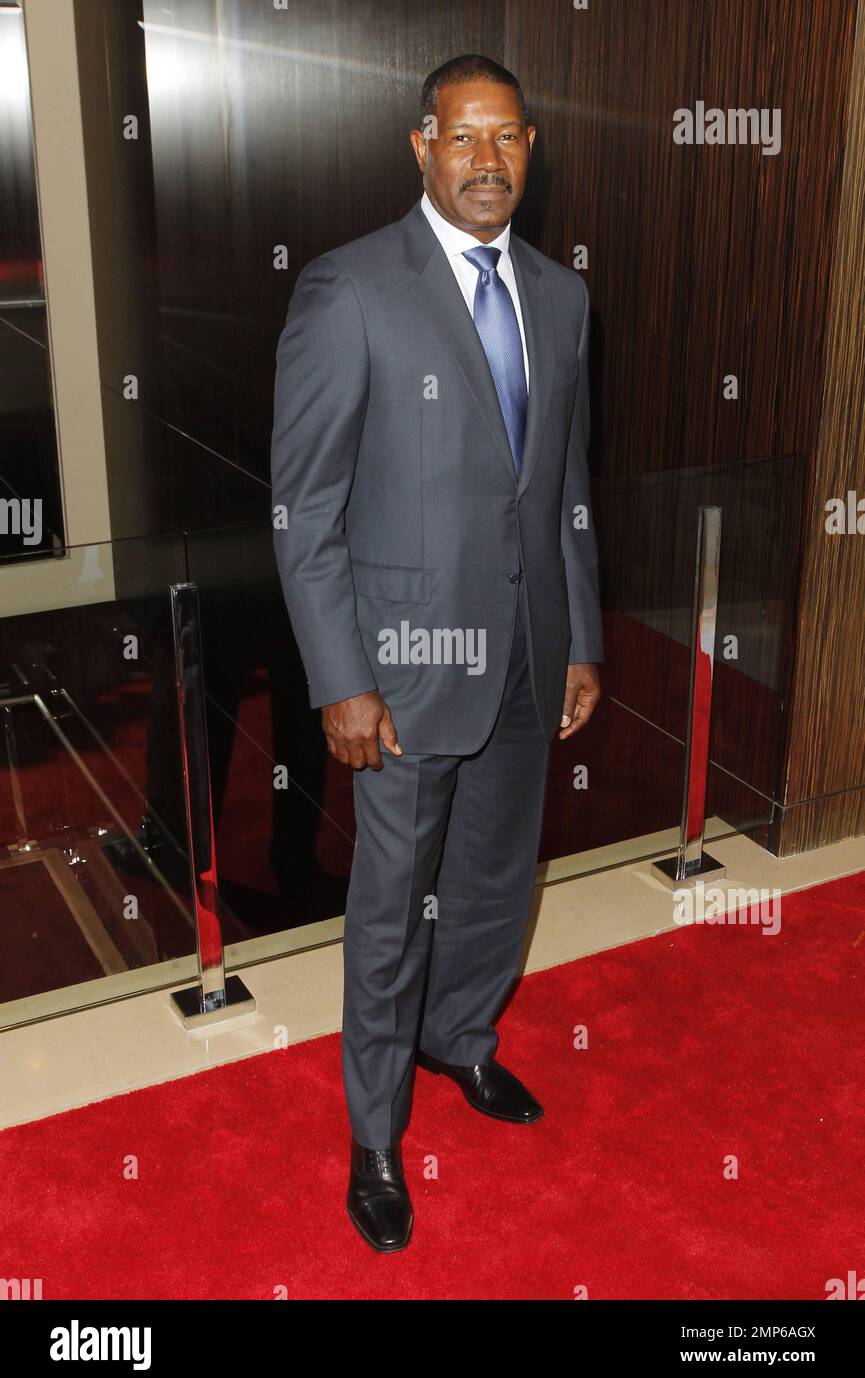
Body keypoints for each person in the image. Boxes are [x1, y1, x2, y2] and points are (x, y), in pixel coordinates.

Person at [271, 53, 602, 1252]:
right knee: (388, 911)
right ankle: (373, 1133)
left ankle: (461, 1039)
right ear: (421, 146)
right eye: (461, 138)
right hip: (402, 674)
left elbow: (564, 489)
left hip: (526, 660)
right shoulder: (349, 289)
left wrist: (580, 638)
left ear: (531, 147)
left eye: (506, 138)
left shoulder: (561, 299)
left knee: (494, 887)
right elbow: (304, 509)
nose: (484, 161)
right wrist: (341, 678)